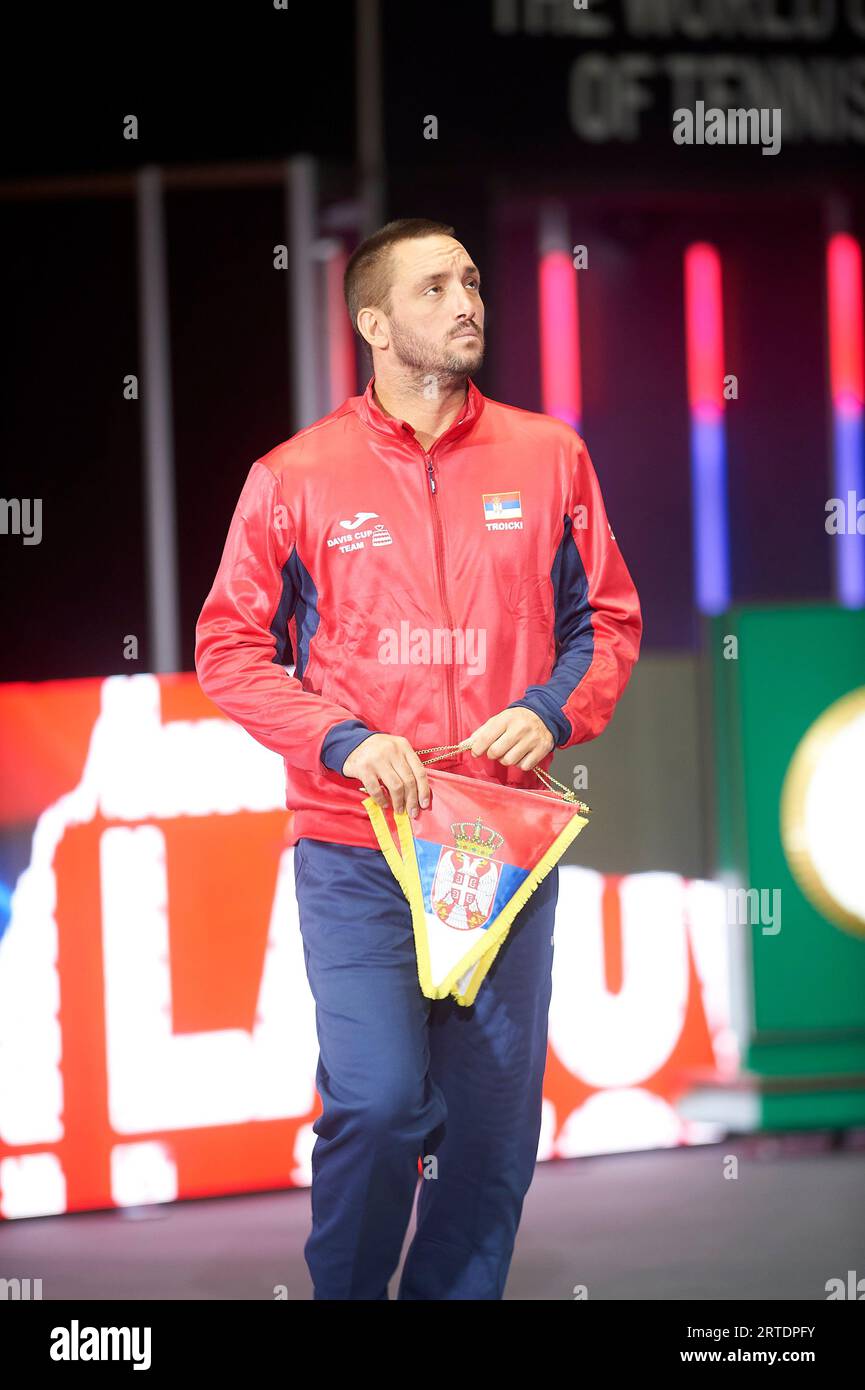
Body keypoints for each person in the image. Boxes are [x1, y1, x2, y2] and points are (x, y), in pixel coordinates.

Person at [194, 217, 642, 1299]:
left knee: (490, 1139)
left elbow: (609, 622)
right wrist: (343, 738)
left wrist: (552, 711)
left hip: (498, 840)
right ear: (373, 322)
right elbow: (227, 647)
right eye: (434, 286)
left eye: (473, 280)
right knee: (383, 1099)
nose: (466, 301)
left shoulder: (549, 455)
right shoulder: (292, 476)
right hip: (356, 844)